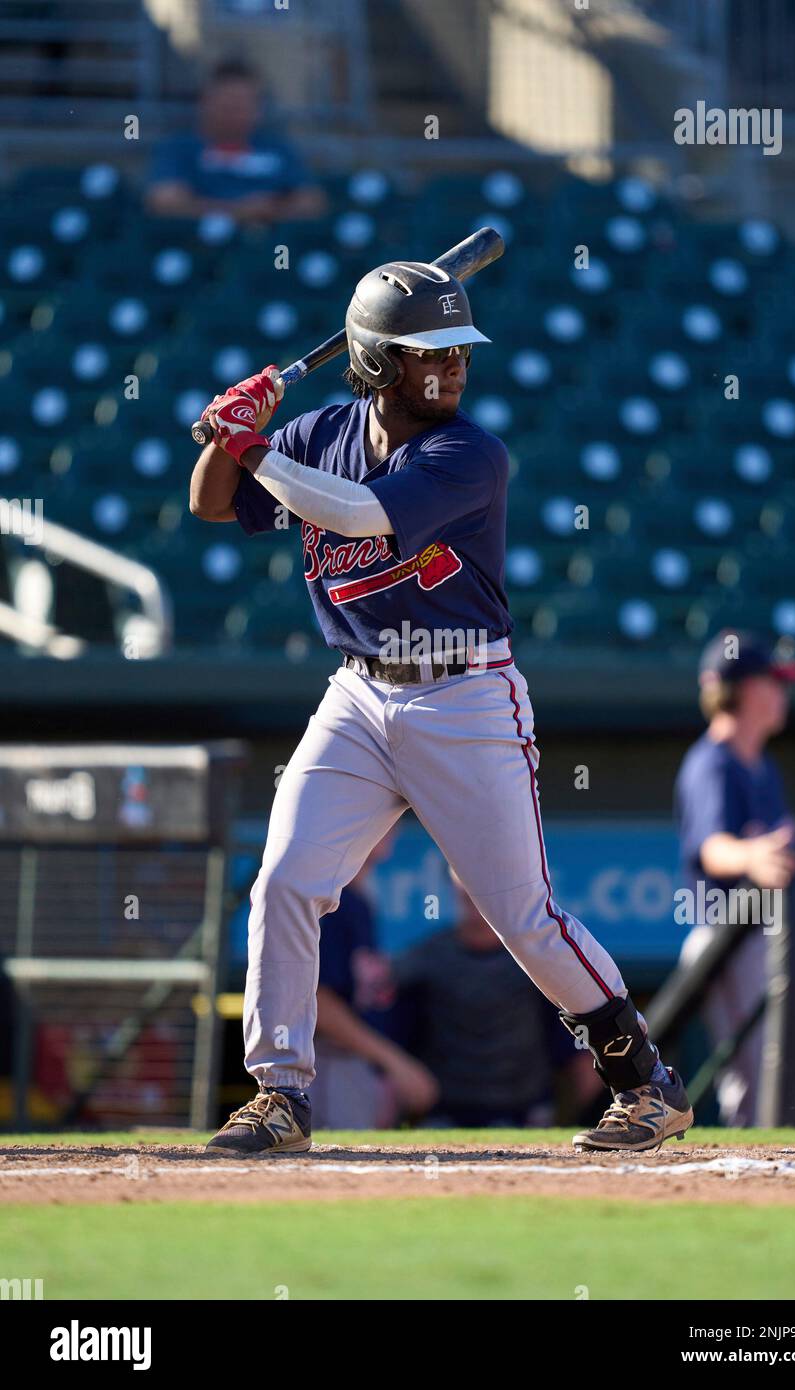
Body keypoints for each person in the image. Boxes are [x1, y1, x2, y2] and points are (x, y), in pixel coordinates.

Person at [190, 256, 693, 1155]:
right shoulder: (319, 433)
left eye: (459, 350)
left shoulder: (470, 453)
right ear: (377, 361)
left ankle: (645, 1083)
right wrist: (224, 437)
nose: (453, 367)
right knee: (285, 881)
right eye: (430, 352)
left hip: (464, 696)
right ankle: (280, 1093)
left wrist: (252, 446)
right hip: (357, 691)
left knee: (523, 917)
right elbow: (212, 505)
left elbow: (355, 517)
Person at [675, 630, 795, 1127]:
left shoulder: (764, 768)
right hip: (728, 943)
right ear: (742, 688)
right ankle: (750, 1200)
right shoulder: (710, 762)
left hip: (780, 941)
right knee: (755, 1097)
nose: (782, 693)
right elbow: (711, 848)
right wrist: (752, 854)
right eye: (772, 681)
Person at [392, 873, 595, 1127]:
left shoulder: (536, 960)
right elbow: (394, 1047)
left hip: (524, 1112)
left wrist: (585, 1117)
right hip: (444, 1113)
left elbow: (576, 1051)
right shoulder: (426, 958)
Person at [313, 837, 439, 1128]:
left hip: (352, 1065)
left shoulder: (359, 899)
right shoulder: (333, 898)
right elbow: (319, 1003)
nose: (389, 825)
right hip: (326, 1062)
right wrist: (394, 1062)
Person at [146, 59, 325, 223]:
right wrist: (235, 211)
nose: (235, 114)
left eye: (243, 105)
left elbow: (311, 201)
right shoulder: (179, 148)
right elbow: (164, 202)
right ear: (205, 103)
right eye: (227, 105)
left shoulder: (277, 148)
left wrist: (269, 211)